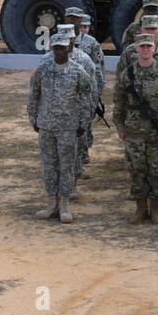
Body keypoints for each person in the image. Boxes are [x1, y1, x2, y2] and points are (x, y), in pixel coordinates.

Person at [112, 33, 158, 224]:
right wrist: (119, 126)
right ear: (136, 49)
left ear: (153, 48)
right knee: (137, 170)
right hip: (134, 131)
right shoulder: (128, 74)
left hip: (157, 132)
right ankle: (140, 208)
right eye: (141, 46)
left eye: (148, 46)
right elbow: (119, 102)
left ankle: (156, 209)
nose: (145, 49)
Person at [28, 32, 91, 224]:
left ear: (69, 48)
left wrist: (83, 123)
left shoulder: (79, 71)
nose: (60, 51)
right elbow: (33, 95)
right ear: (52, 49)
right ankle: (51, 204)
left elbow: (86, 99)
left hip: (68, 127)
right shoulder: (43, 70)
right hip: (46, 126)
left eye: (63, 47)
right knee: (49, 166)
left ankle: (64, 205)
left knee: (66, 166)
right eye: (56, 48)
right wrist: (34, 119)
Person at [54, 23, 99, 197]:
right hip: (54, 117)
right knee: (57, 154)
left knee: (75, 150)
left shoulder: (83, 60)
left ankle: (72, 183)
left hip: (75, 116)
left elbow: (91, 88)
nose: (67, 41)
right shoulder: (47, 60)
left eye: (69, 37)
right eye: (63, 37)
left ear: (74, 38)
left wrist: (88, 113)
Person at [66, 9, 105, 167]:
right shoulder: (60, 41)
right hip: (67, 91)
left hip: (88, 89)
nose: (79, 27)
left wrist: (100, 85)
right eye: (72, 20)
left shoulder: (91, 42)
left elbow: (98, 64)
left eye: (82, 25)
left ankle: (84, 152)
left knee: (85, 122)